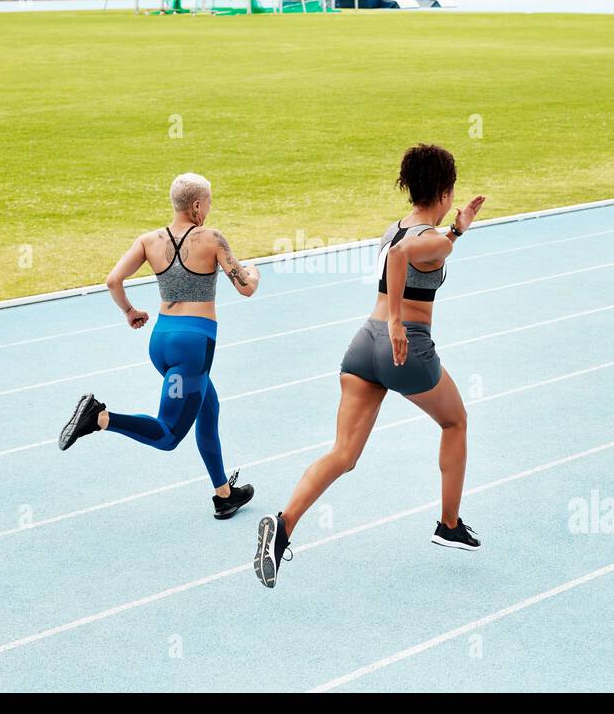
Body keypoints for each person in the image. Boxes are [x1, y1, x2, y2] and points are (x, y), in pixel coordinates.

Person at [255, 144, 485, 587]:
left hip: (363, 345)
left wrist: (455, 231)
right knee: (455, 421)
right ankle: (449, 525)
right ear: (443, 191)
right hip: (405, 348)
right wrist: (401, 320)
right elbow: (411, 254)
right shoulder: (431, 239)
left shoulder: (393, 229)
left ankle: (282, 527)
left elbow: (402, 250)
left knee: (343, 454)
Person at [59, 172, 261, 520]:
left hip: (162, 343)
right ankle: (101, 417)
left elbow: (113, 280)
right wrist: (254, 272)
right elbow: (245, 287)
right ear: (197, 205)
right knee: (168, 435)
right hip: (193, 347)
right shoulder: (211, 238)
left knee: (207, 407)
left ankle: (224, 495)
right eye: (209, 202)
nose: (210, 209)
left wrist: (129, 311)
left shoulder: (149, 240)